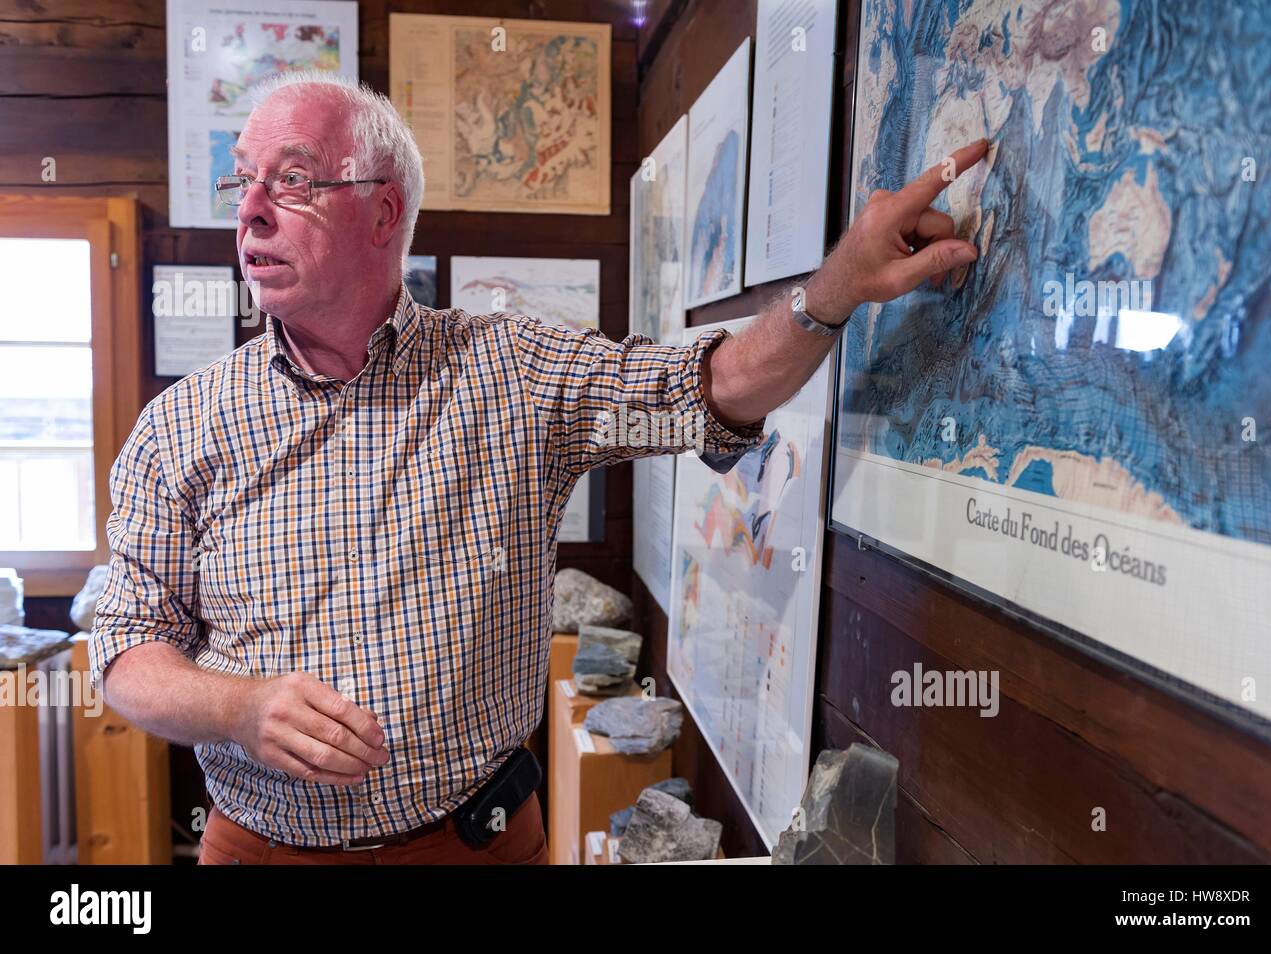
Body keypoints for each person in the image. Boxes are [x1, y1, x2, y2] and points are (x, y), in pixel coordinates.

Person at [90, 70, 987, 864]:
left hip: (473, 843)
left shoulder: (511, 373)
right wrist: (238, 708)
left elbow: (711, 386)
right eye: (241, 180)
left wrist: (833, 291)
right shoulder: (183, 425)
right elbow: (125, 647)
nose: (248, 210)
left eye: (289, 180)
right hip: (261, 852)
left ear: (382, 210)